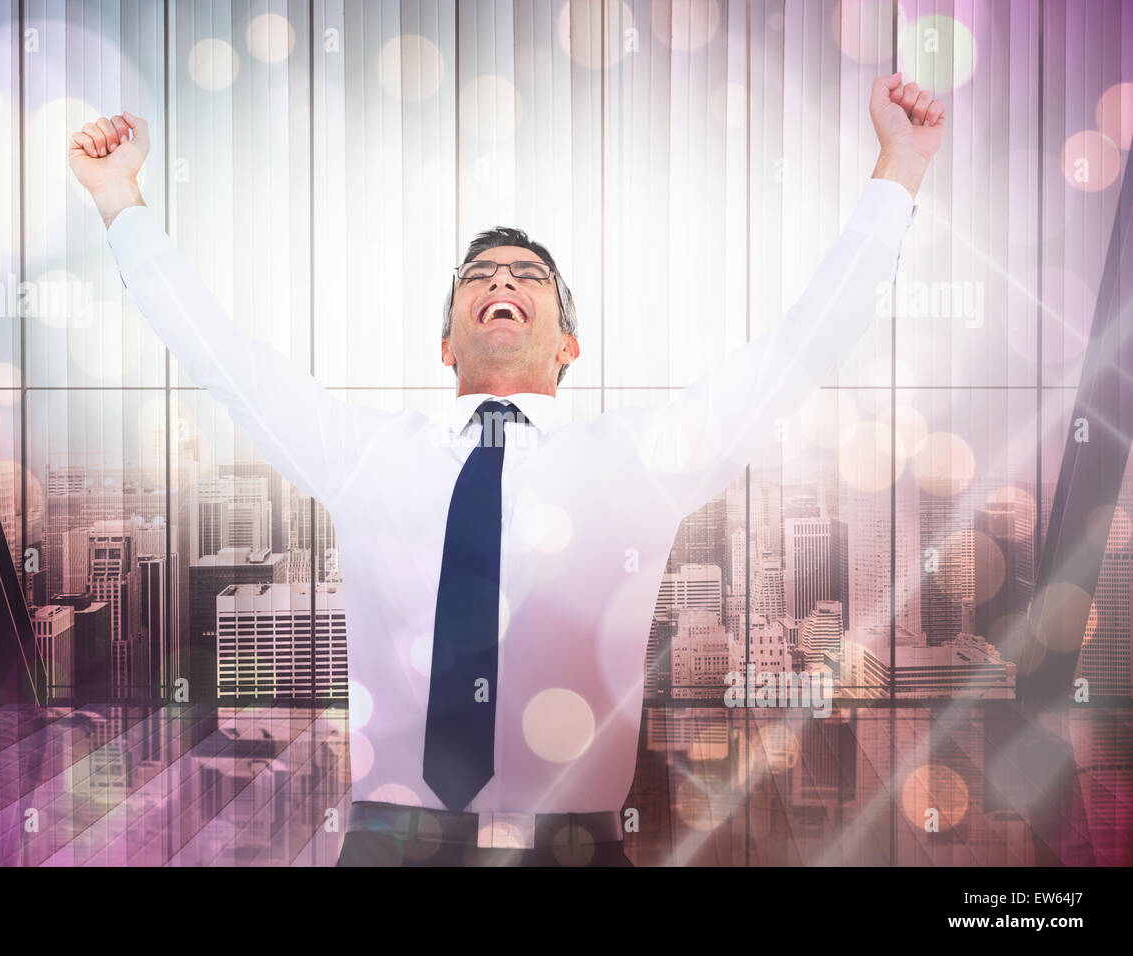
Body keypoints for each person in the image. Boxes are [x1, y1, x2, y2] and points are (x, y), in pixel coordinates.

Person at [68, 72, 944, 867]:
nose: (505, 279)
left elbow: (797, 352)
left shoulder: (638, 461)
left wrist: (897, 172)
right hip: (386, 844)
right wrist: (122, 201)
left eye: (530, 276)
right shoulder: (368, 455)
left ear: (567, 343)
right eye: (481, 274)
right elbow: (225, 356)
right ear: (448, 341)